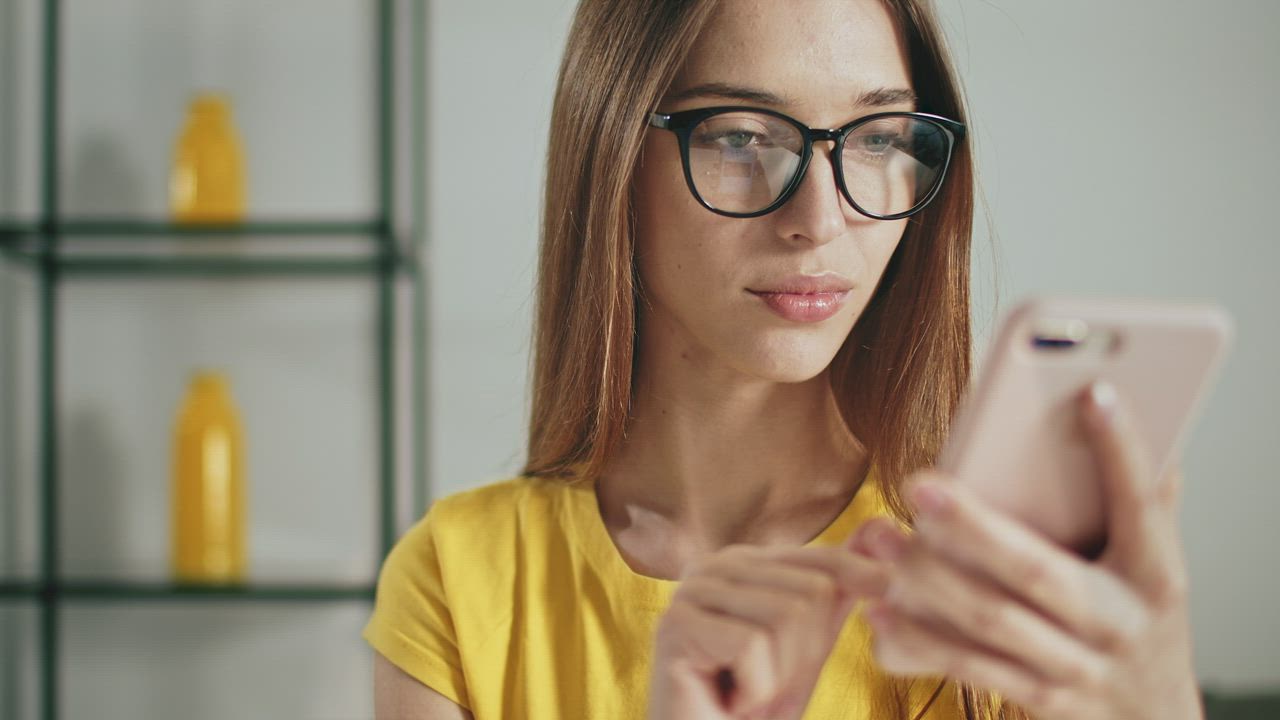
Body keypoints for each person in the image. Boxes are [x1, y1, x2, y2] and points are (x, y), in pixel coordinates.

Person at [364, 1, 1205, 718]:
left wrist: (1163, 704)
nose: (821, 217)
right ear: (612, 154)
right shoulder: (459, 584)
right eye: (740, 136)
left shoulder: (1009, 584)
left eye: (877, 140)